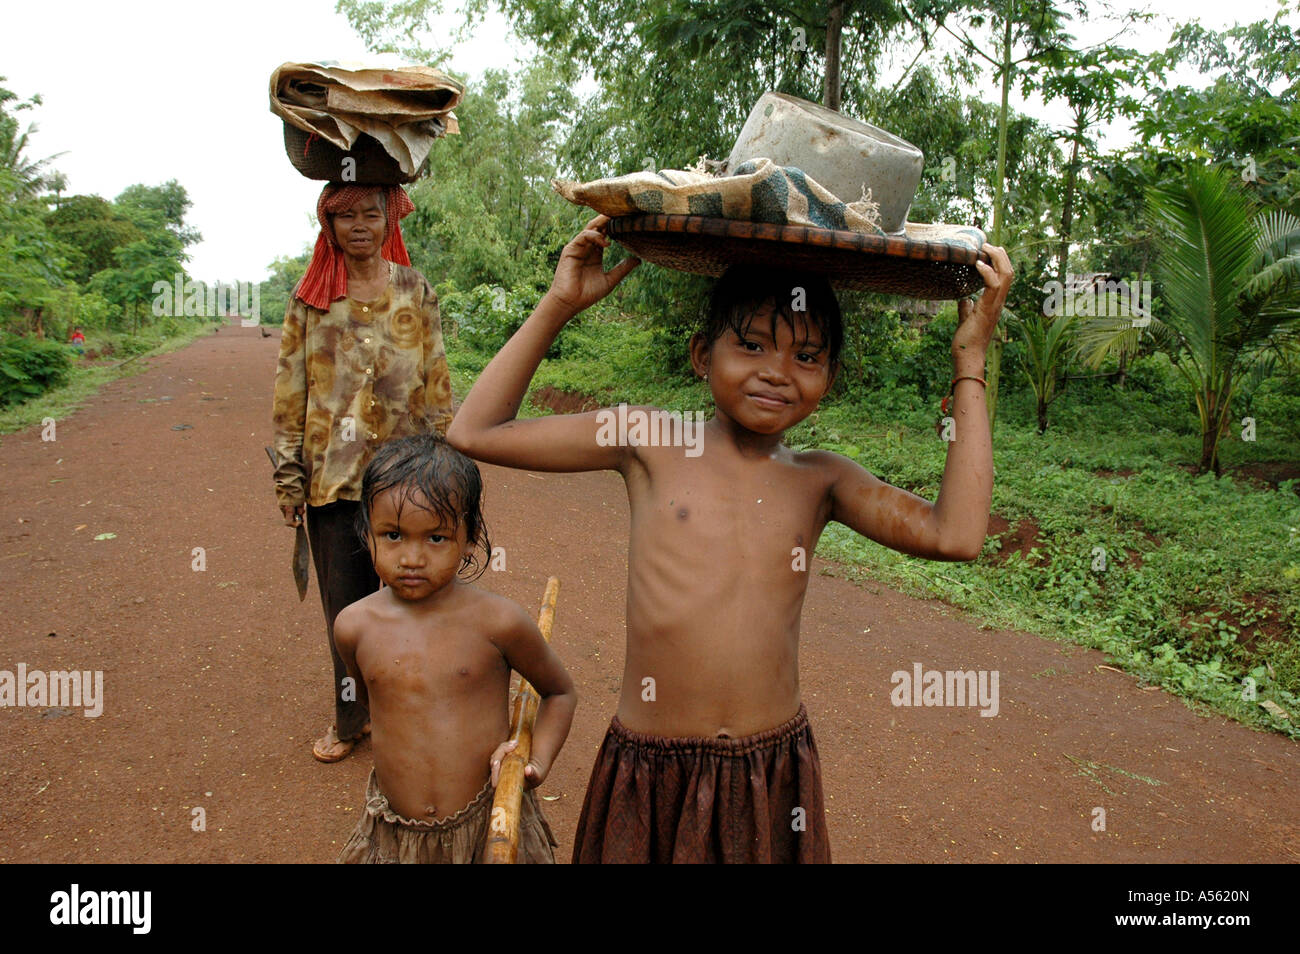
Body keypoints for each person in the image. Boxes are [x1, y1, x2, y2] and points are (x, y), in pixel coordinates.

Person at [447, 214, 1013, 863]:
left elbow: (958, 533)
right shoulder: (650, 440)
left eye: (806, 356)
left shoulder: (821, 479)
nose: (778, 371)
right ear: (700, 356)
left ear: (829, 381)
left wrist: (970, 363)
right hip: (649, 768)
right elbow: (476, 432)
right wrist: (561, 302)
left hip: (768, 772)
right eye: (752, 345)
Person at [271, 182, 455, 763]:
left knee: (415, 598)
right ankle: (352, 721)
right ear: (328, 225)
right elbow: (290, 392)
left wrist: (443, 461)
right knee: (347, 615)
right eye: (345, 216)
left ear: (388, 220)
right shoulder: (311, 300)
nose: (358, 226)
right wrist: (289, 477)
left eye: (370, 214)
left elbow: (437, 380)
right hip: (334, 482)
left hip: (406, 479)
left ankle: (413, 710)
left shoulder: (414, 290)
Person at [333, 433, 575, 863]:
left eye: (436, 539)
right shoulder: (353, 627)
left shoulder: (498, 622)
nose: (412, 558)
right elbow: (375, 702)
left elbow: (559, 692)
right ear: (366, 531)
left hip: (487, 825)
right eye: (392, 535)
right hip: (396, 832)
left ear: (470, 537)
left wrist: (532, 762)